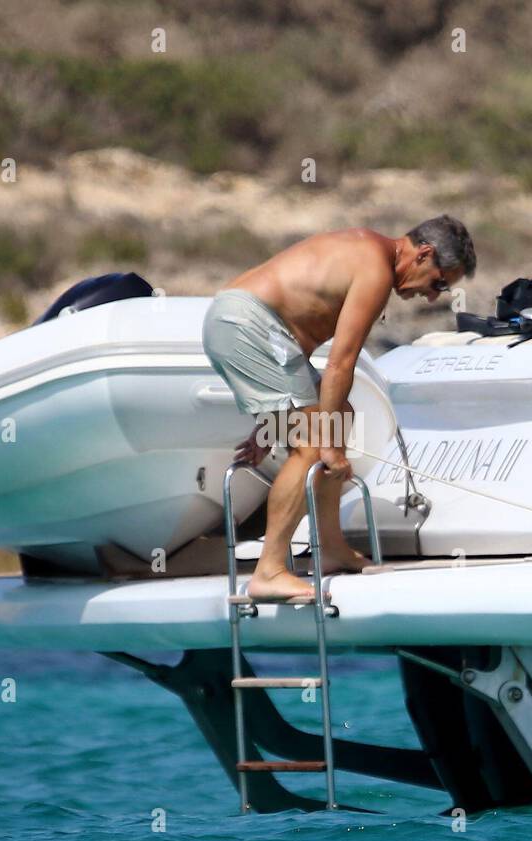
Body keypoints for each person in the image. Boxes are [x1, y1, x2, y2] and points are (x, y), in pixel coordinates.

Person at [202, 215, 476, 599]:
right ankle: (269, 572)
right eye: (439, 282)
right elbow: (340, 362)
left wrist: (273, 425)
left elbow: (305, 342)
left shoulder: (368, 251)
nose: (433, 296)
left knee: (338, 416)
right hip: (247, 324)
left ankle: (330, 549)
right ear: (423, 254)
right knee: (314, 446)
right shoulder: (375, 269)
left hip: (256, 328)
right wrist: (327, 445)